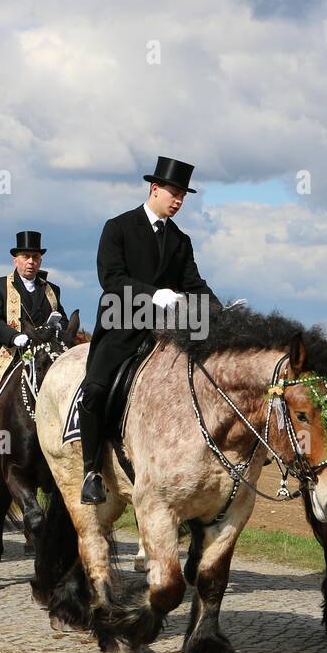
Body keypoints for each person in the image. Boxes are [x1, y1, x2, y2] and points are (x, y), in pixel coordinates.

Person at [78, 156, 219, 504]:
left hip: (168, 331)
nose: (179, 201)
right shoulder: (118, 227)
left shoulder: (181, 240)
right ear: (154, 189)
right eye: (174, 193)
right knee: (95, 391)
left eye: (184, 196)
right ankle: (91, 471)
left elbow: (194, 283)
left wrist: (219, 310)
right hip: (121, 322)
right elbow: (111, 279)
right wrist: (154, 293)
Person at [0, 231, 65, 470]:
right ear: (15, 260)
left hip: (43, 352)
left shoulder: (52, 289)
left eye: (35, 257)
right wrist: (13, 336)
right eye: (26, 256)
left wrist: (59, 323)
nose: (31, 262)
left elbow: (63, 316)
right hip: (8, 350)